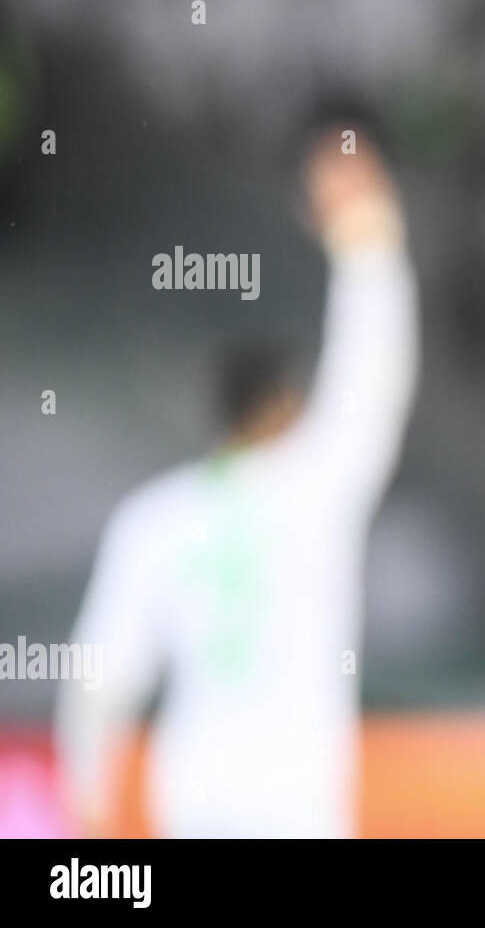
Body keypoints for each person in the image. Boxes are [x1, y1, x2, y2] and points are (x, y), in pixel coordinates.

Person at [55, 128, 420, 837]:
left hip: (194, 796)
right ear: (284, 406)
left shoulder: (153, 517)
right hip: (294, 803)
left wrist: (88, 809)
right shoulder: (319, 484)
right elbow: (374, 372)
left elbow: (97, 681)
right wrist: (367, 237)